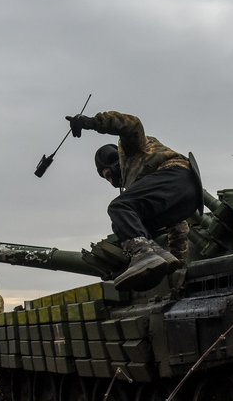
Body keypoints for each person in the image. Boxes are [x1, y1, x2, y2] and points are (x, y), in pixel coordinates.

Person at [66, 110, 201, 290]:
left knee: (119, 207)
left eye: (107, 175)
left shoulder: (130, 151)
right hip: (187, 200)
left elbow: (132, 124)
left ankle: (142, 252)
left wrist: (89, 123)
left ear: (113, 164)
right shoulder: (140, 184)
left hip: (175, 174)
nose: (111, 181)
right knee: (126, 222)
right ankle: (157, 253)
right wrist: (177, 263)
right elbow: (177, 226)